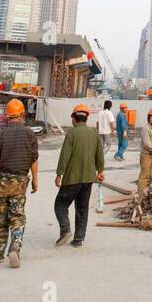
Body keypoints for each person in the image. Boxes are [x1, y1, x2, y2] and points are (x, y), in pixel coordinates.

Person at [0, 98, 39, 267]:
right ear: (22, 114)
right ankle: (15, 247)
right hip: (20, 181)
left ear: (8, 116)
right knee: (17, 216)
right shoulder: (30, 134)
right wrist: (35, 180)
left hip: (1, 181)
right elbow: (33, 159)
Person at [53, 104, 105, 248]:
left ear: (74, 118)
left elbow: (65, 155)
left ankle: (65, 230)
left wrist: (59, 173)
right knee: (82, 208)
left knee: (60, 204)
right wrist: (100, 171)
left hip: (72, 178)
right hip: (88, 178)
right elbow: (99, 155)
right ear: (86, 118)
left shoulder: (71, 133)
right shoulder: (94, 134)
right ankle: (78, 239)